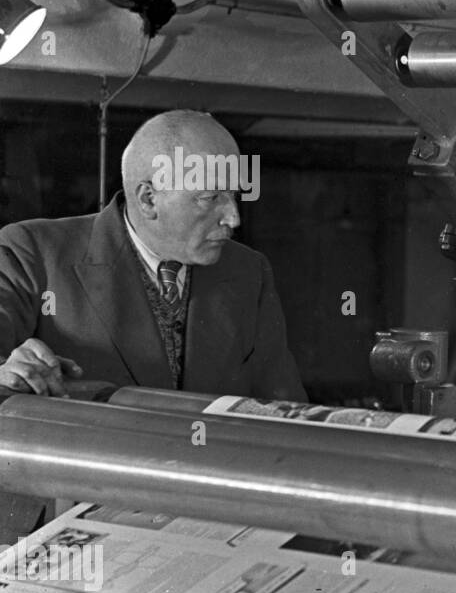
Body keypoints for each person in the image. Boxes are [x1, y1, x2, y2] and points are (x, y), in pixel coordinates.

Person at [0, 110, 304, 401]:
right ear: (148, 199)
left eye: (234, 196)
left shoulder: (249, 271)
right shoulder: (30, 252)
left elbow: (284, 407)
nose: (233, 218)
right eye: (211, 198)